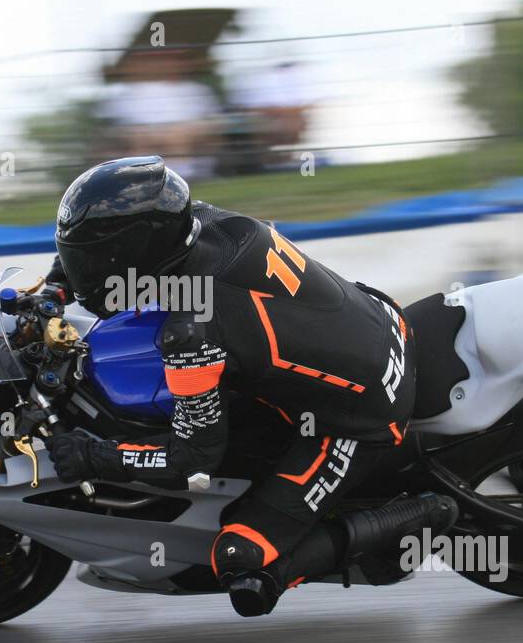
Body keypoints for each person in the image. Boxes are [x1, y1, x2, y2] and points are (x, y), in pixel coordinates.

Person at [44, 156, 457, 617]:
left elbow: (191, 459)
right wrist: (51, 290)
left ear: (132, 255)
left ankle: (425, 514)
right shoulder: (202, 221)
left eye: (92, 260)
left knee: (239, 556)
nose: (83, 267)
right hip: (377, 318)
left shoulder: (193, 328)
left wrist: (95, 457)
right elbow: (116, 255)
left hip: (361, 414)